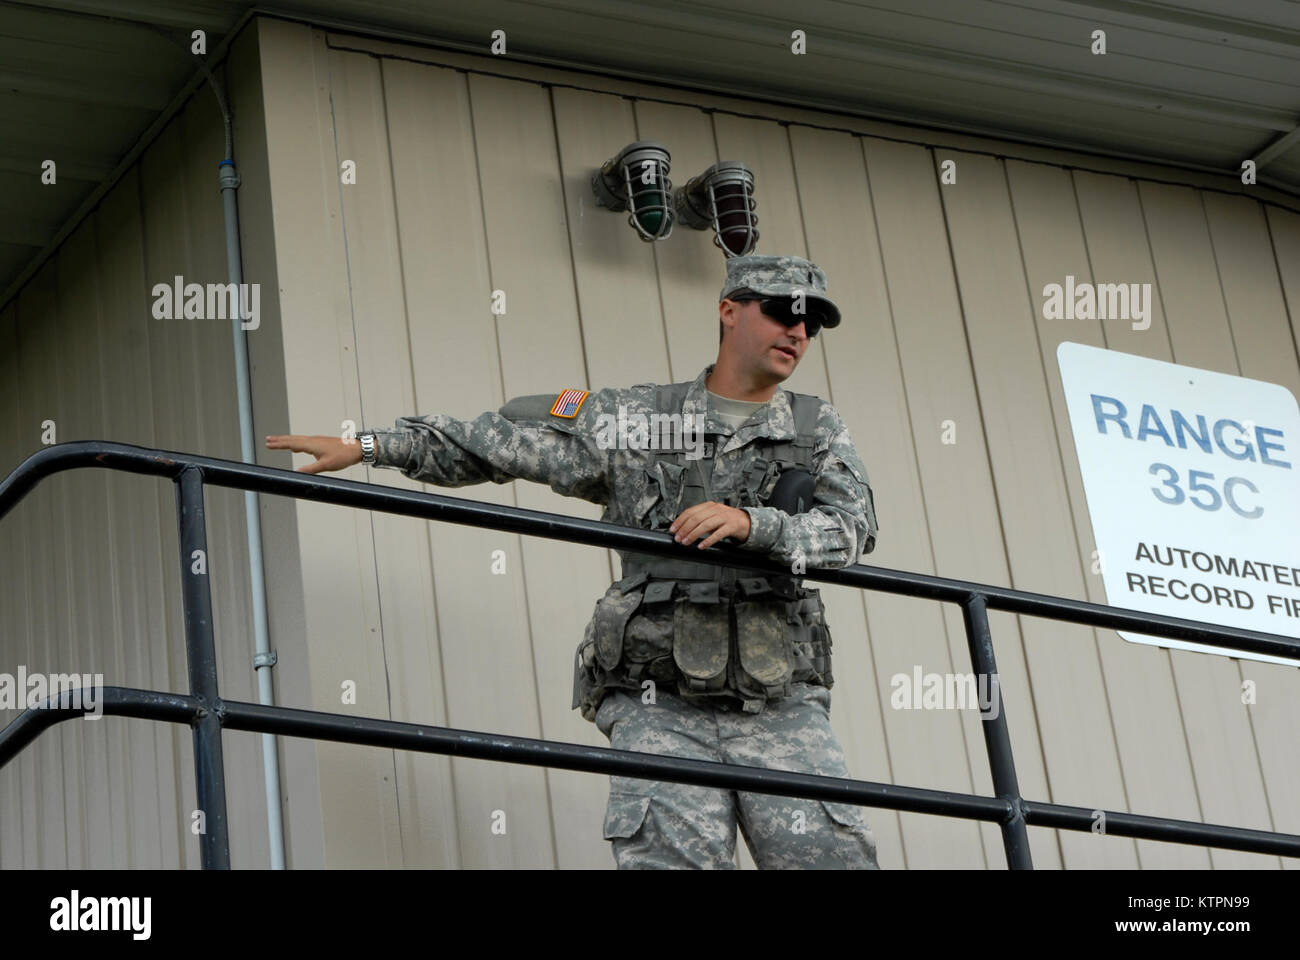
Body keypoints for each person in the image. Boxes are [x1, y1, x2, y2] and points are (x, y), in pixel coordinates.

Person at [266, 254, 881, 869]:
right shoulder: (638, 420)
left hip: (779, 707)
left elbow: (855, 529)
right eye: (781, 312)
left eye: (812, 323)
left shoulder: (814, 427)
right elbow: (494, 446)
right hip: (659, 703)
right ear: (728, 312)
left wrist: (755, 524)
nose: (797, 332)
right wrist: (367, 445)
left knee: (828, 858)